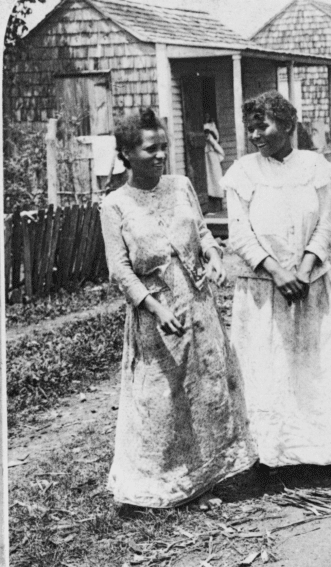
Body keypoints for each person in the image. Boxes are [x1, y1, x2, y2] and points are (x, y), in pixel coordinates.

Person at [100, 108, 255, 508]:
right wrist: (153, 307)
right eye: (150, 149)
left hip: (198, 305)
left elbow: (203, 233)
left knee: (205, 389)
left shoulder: (182, 185)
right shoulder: (115, 204)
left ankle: (206, 478)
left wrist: (214, 256)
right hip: (158, 315)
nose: (160, 156)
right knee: (164, 398)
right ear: (127, 154)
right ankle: (162, 485)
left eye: (163, 147)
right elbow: (119, 270)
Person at [221, 90, 331, 475]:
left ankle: (319, 454)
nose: (255, 135)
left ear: (288, 125)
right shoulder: (242, 172)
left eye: (262, 125)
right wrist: (278, 272)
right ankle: (270, 457)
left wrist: (305, 267)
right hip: (264, 288)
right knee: (267, 366)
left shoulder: (315, 166)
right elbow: (239, 233)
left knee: (316, 364)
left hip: (311, 284)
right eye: (250, 129)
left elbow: (326, 222)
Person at [204, 115, 225, 212]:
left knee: (215, 180)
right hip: (206, 156)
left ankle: (217, 204)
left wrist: (211, 139)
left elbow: (221, 154)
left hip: (212, 157)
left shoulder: (211, 129)